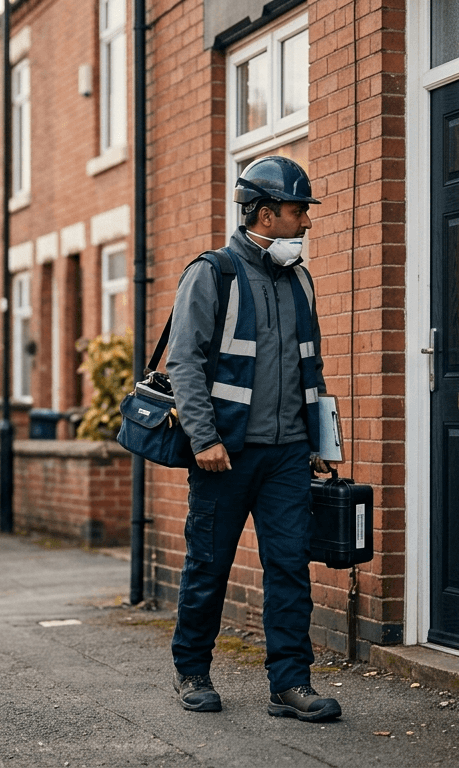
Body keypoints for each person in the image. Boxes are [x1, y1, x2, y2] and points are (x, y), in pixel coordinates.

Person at [165, 155, 341, 721]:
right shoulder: (212, 273)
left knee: (289, 567)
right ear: (265, 214)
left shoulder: (300, 280)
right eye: (298, 211)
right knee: (208, 565)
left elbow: (310, 369)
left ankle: (289, 684)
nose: (306, 222)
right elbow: (186, 363)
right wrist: (204, 438)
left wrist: (319, 445)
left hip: (288, 455)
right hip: (224, 455)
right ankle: (192, 669)